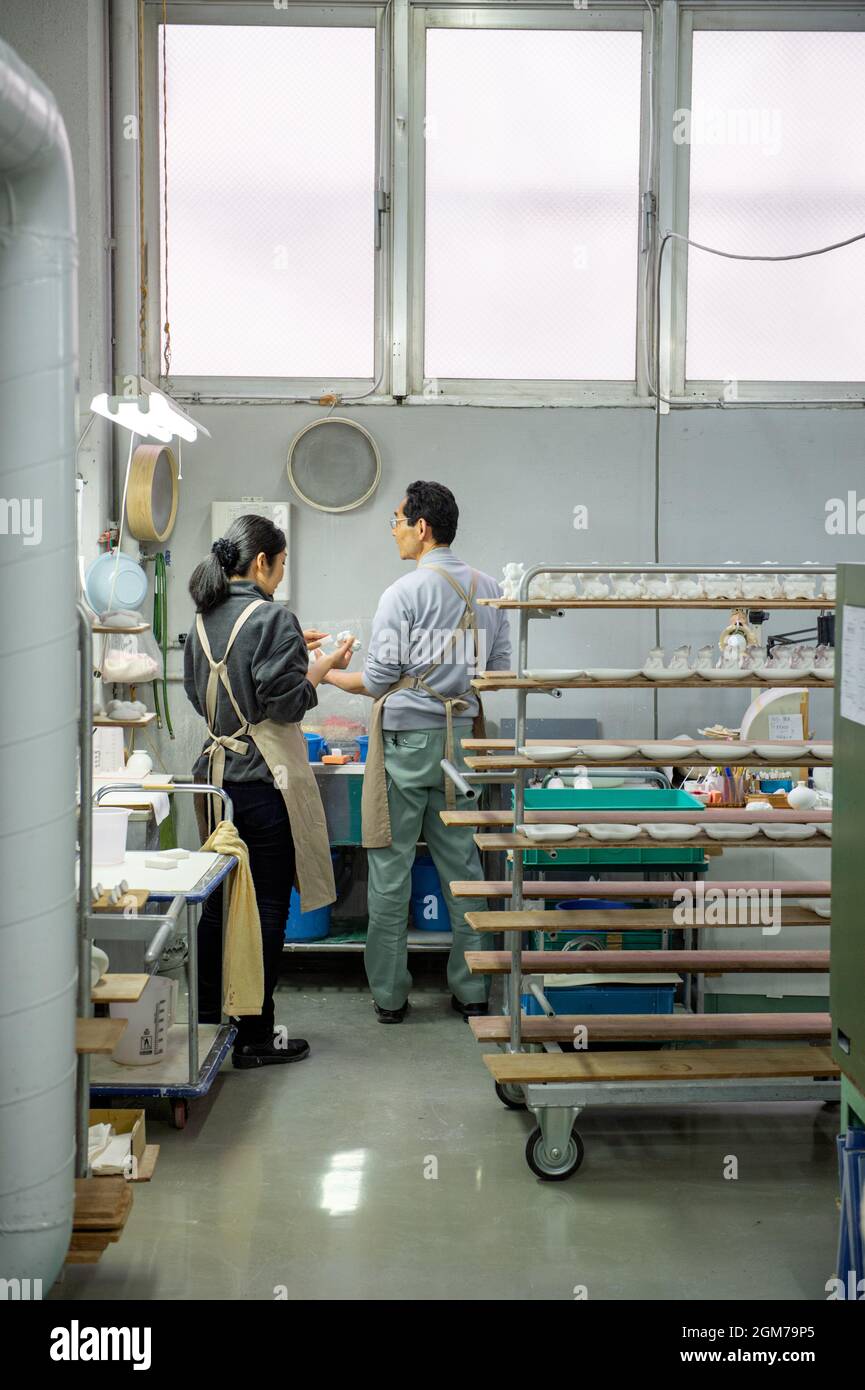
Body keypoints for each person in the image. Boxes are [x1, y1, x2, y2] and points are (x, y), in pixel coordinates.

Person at [323, 481, 512, 1023]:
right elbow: (496, 674)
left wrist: (329, 673)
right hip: (465, 744)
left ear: (421, 528)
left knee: (389, 865)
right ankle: (472, 991)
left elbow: (380, 679)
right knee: (465, 869)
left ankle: (390, 995)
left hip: (406, 741)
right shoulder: (490, 589)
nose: (395, 531)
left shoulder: (402, 594)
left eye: (397, 520)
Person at [184, 514, 354, 1067]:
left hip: (213, 782)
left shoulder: (204, 617)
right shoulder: (274, 617)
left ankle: (210, 1020)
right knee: (267, 904)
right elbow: (284, 703)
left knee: (215, 902)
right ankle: (257, 1035)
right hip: (262, 784)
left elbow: (201, 690)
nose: (279, 578)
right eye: (279, 567)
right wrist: (321, 668)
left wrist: (290, 652)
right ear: (261, 562)